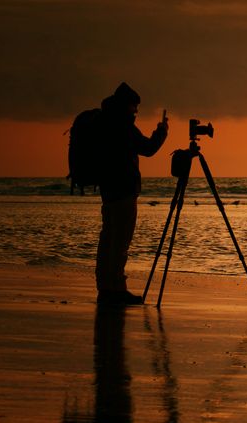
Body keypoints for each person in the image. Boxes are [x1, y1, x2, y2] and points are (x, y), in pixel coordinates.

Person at [95, 82, 168, 305]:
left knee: (108, 240)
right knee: (119, 242)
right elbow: (147, 149)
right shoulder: (121, 125)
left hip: (108, 190)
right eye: (134, 107)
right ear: (126, 105)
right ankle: (116, 290)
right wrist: (161, 132)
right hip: (123, 190)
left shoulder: (105, 121)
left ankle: (105, 288)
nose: (136, 112)